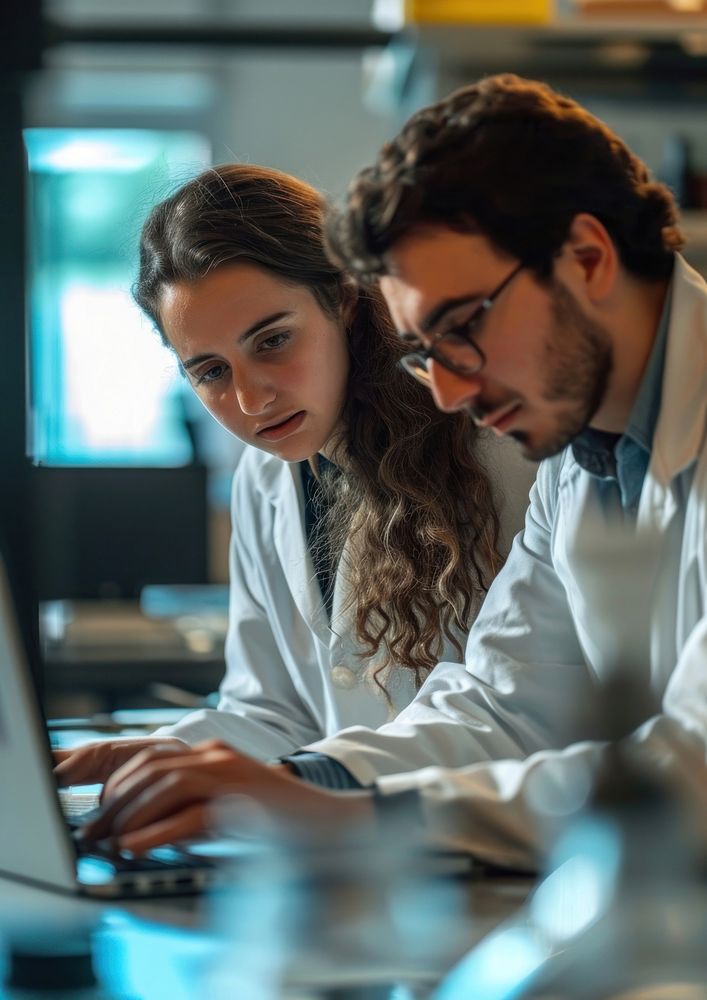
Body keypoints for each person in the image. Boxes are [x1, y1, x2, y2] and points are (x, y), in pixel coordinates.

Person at [78, 73, 704, 872]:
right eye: (420, 349)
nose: (445, 391)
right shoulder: (578, 453)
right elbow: (503, 706)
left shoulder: (552, 431)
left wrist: (347, 818)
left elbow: (689, 773)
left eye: (461, 326)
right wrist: (306, 782)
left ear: (586, 257)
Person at [55, 163, 532, 789]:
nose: (252, 400)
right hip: (340, 839)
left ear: (342, 298)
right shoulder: (264, 481)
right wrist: (139, 756)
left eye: (273, 340)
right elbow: (275, 713)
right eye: (210, 371)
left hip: (479, 836)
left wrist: (301, 782)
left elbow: (514, 713)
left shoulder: (494, 445)